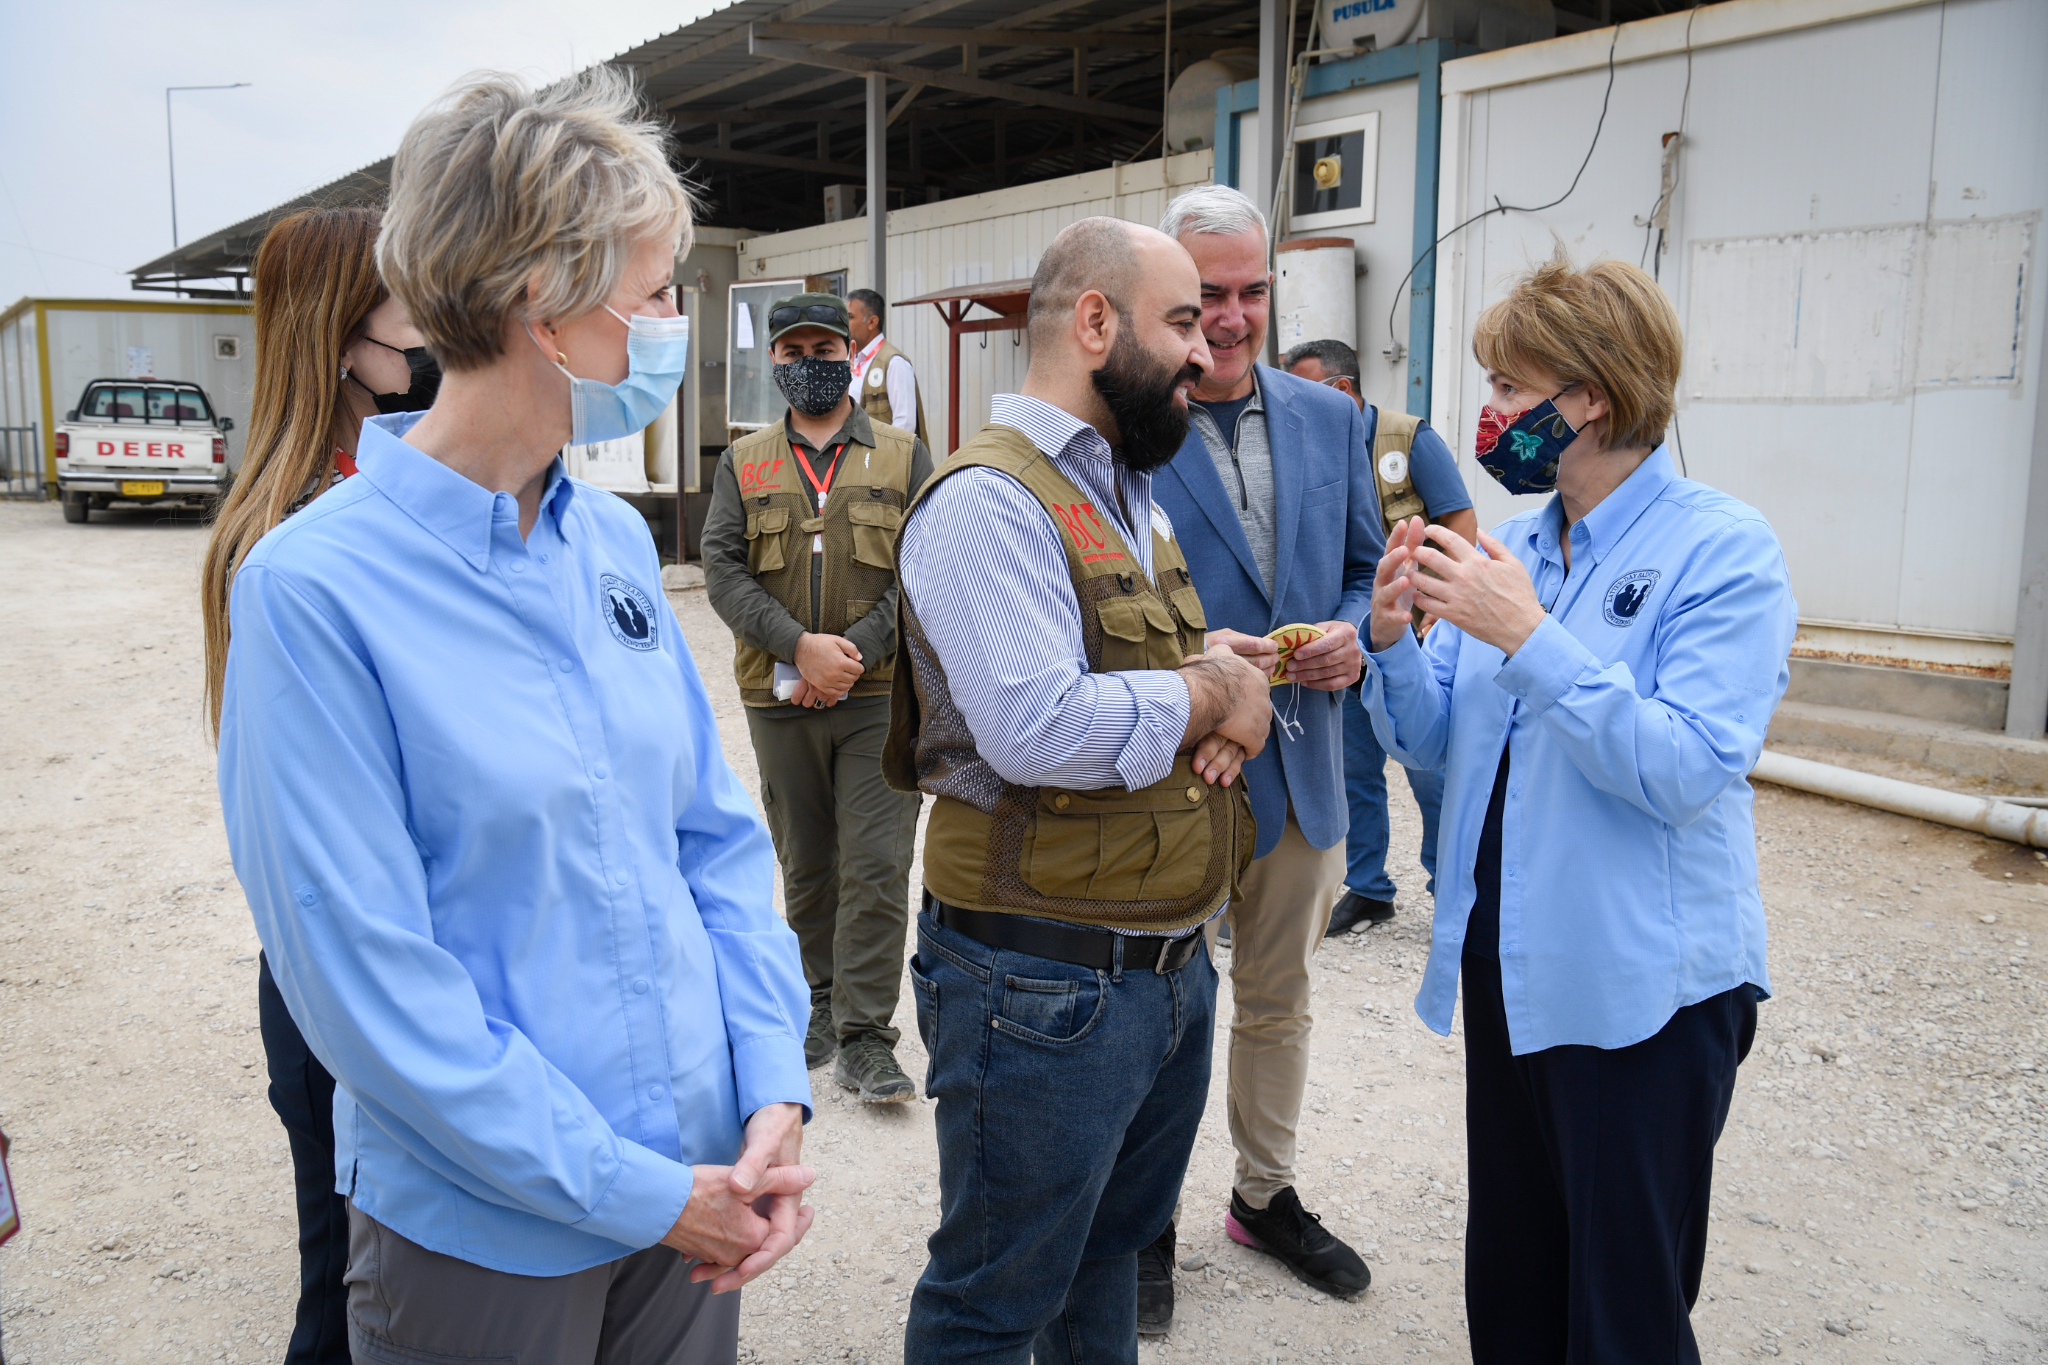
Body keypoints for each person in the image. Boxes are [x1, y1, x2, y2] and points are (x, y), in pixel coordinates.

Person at [215, 70, 817, 1364]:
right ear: (543, 303)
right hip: (490, 1230)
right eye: (654, 294)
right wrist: (633, 1190)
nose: (671, 327)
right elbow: (368, 983)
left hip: (697, 1180)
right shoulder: (315, 591)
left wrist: (771, 1079)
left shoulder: (610, 541)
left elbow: (710, 838)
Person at [1361, 256, 1791, 1363]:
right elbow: (1434, 747)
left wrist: (1530, 638)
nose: (1489, 413)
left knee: (1622, 1314)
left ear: (1590, 397)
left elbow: (1686, 766)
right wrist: (1389, 641)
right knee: (1512, 1286)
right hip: (1511, 966)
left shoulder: (1720, 547)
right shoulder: (1513, 551)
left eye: (1510, 387)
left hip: (1639, 991)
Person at [888, 215, 1271, 1363]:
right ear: (1095, 323)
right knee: (993, 1300)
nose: (1206, 350)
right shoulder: (989, 501)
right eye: (1182, 322)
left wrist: (1217, 682)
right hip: (1041, 979)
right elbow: (1037, 726)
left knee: (1106, 1254)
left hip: (1158, 966)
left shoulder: (1126, 492)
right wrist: (1209, 693)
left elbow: (1135, 672)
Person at [199, 203, 439, 1365]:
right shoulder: (294, 531)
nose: (432, 331)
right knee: (346, 1293)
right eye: (409, 307)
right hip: (336, 963)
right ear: (343, 335)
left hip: (403, 945)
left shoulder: (379, 478)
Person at [1141, 184, 1379, 1327]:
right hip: (1176, 772)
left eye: (1249, 292)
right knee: (1157, 1010)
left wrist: (1355, 634)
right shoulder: (1122, 424)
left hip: (1304, 771)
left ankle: (1262, 1195)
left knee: (1276, 1000)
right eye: (1204, 296)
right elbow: (1088, 603)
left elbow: (1362, 571)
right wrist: (1200, 672)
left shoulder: (1330, 418)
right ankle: (1140, 1219)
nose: (1229, 319)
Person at [702, 290, 932, 1103]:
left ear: (850, 354)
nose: (810, 365)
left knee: (877, 863)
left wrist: (853, 651)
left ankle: (867, 1036)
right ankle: (820, 1001)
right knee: (806, 861)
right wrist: (798, 646)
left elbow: (926, 567)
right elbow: (722, 567)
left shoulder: (903, 454)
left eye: (824, 351)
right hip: (778, 694)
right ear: (774, 361)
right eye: (794, 354)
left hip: (878, 697)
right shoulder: (745, 460)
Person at [1282, 338, 1475, 932]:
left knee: (1429, 772)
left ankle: (1452, 889)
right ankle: (1368, 887)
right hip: (1350, 644)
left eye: (1303, 387)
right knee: (1355, 771)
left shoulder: (1407, 439)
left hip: (1412, 646)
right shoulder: (1304, 445)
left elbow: (1459, 519)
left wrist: (1444, 608)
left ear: (1341, 390)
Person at [846, 288, 929, 445]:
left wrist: (881, 455)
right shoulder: (848, 361)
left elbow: (904, 425)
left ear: (872, 322)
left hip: (881, 456)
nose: (843, 322)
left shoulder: (894, 362)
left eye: (850, 317)